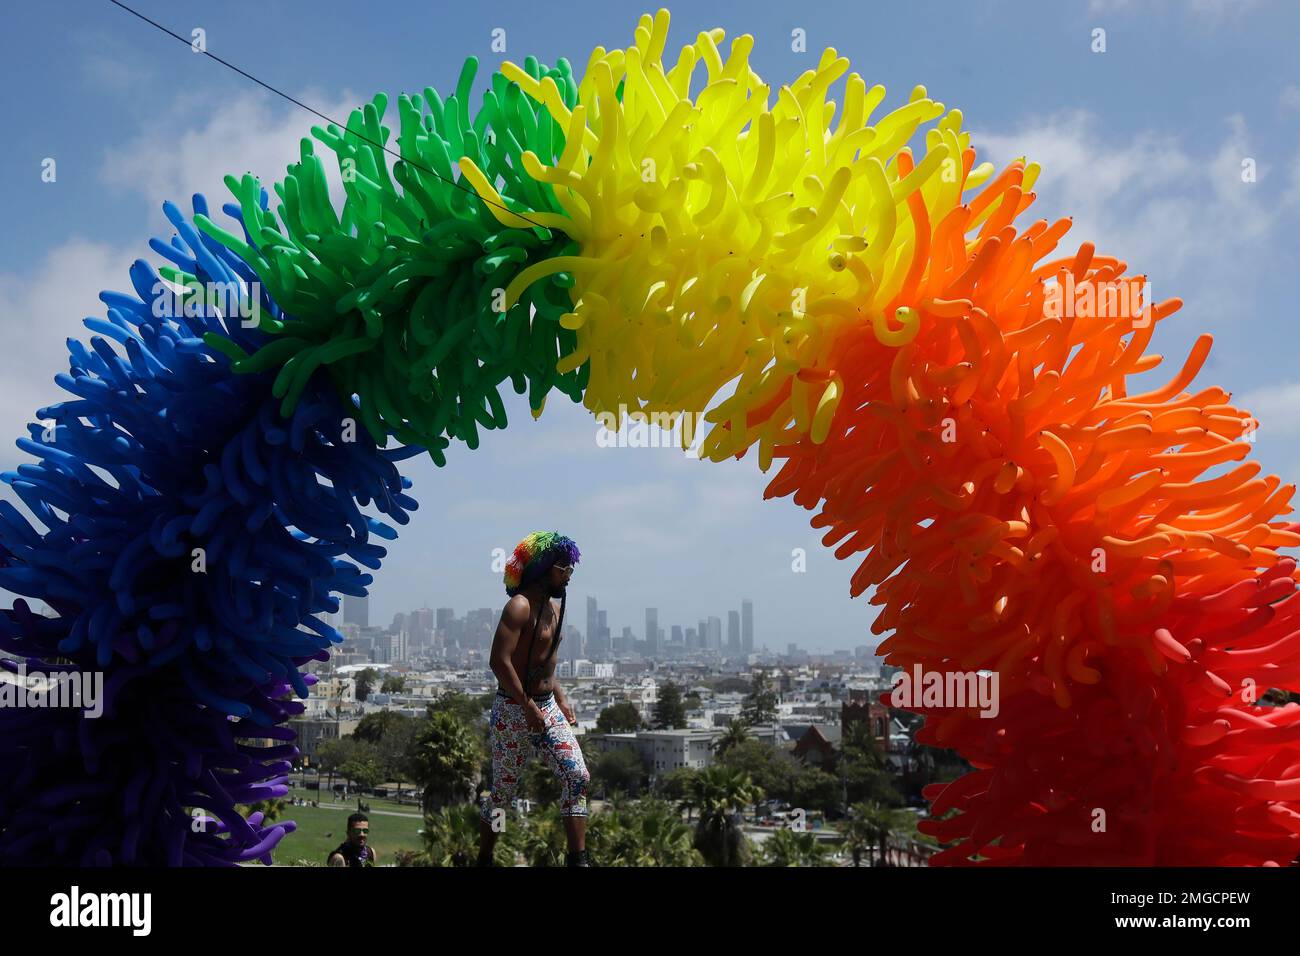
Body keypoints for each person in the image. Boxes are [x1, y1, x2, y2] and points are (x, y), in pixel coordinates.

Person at [477, 531, 591, 867]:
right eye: (562, 568)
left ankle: (578, 858)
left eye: (570, 568)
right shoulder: (519, 606)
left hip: (546, 707)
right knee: (503, 794)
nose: (568, 574)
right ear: (543, 569)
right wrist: (526, 707)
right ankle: (485, 856)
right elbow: (499, 660)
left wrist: (561, 697)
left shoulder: (554, 608)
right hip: (513, 710)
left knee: (577, 776)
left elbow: (545, 664)